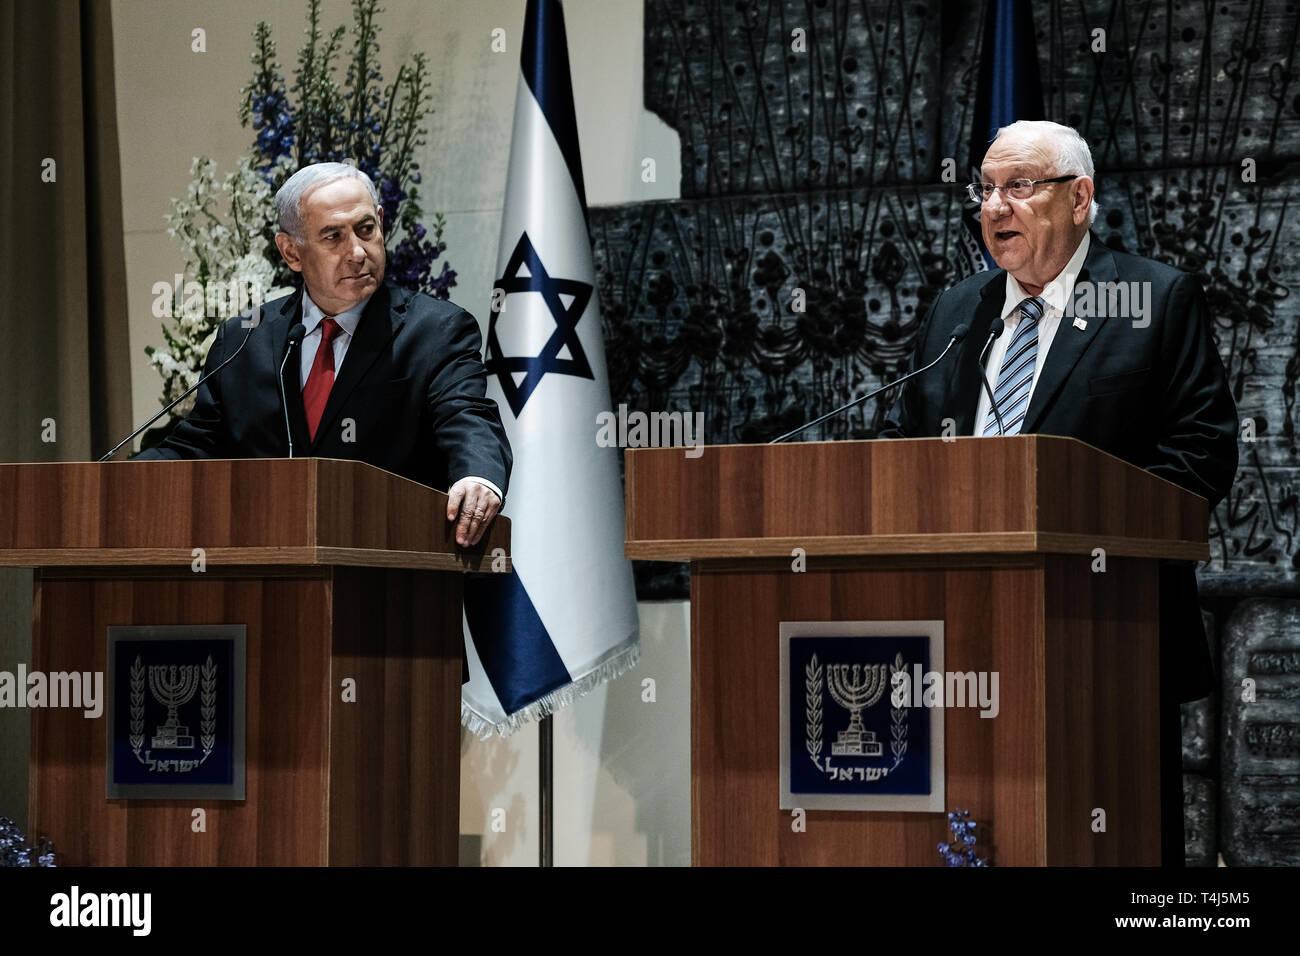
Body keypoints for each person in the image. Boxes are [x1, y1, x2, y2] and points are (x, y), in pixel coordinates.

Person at [879, 120, 1239, 865]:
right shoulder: (957, 312)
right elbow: (900, 448)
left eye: (1018, 187)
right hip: (950, 641)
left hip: (1106, 637)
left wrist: (1070, 522)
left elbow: (1202, 458)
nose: (995, 207)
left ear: (1080, 199)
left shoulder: (1153, 299)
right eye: (985, 190)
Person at [138, 162, 511, 548]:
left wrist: (477, 476)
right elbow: (198, 447)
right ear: (291, 253)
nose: (357, 252)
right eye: (333, 236)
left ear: (381, 223)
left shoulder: (435, 331)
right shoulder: (243, 339)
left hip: (390, 568)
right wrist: (112, 481)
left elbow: (467, 417)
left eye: (366, 230)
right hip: (266, 571)